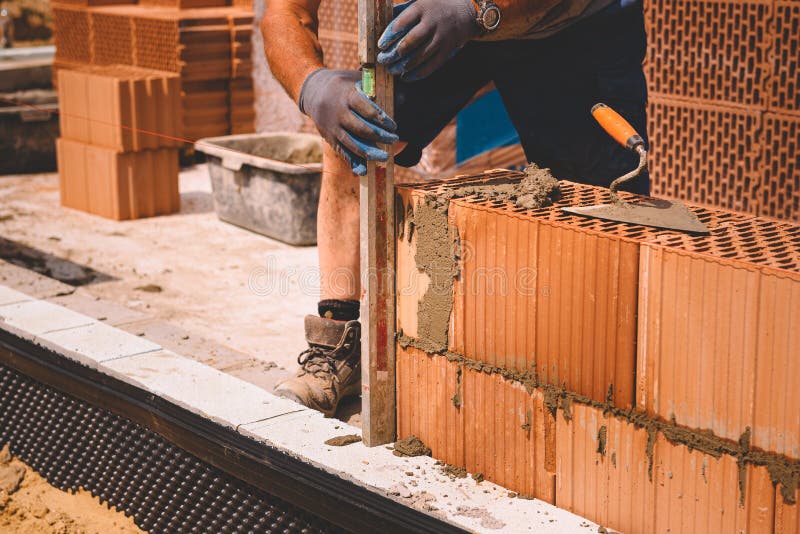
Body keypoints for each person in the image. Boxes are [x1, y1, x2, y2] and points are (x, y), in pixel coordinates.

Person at [261, 0, 650, 415]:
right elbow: (284, 13)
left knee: (600, 197)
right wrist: (312, 86)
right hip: (441, 13)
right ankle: (335, 348)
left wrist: (476, 9)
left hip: (570, 21)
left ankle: (604, 365)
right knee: (355, 129)